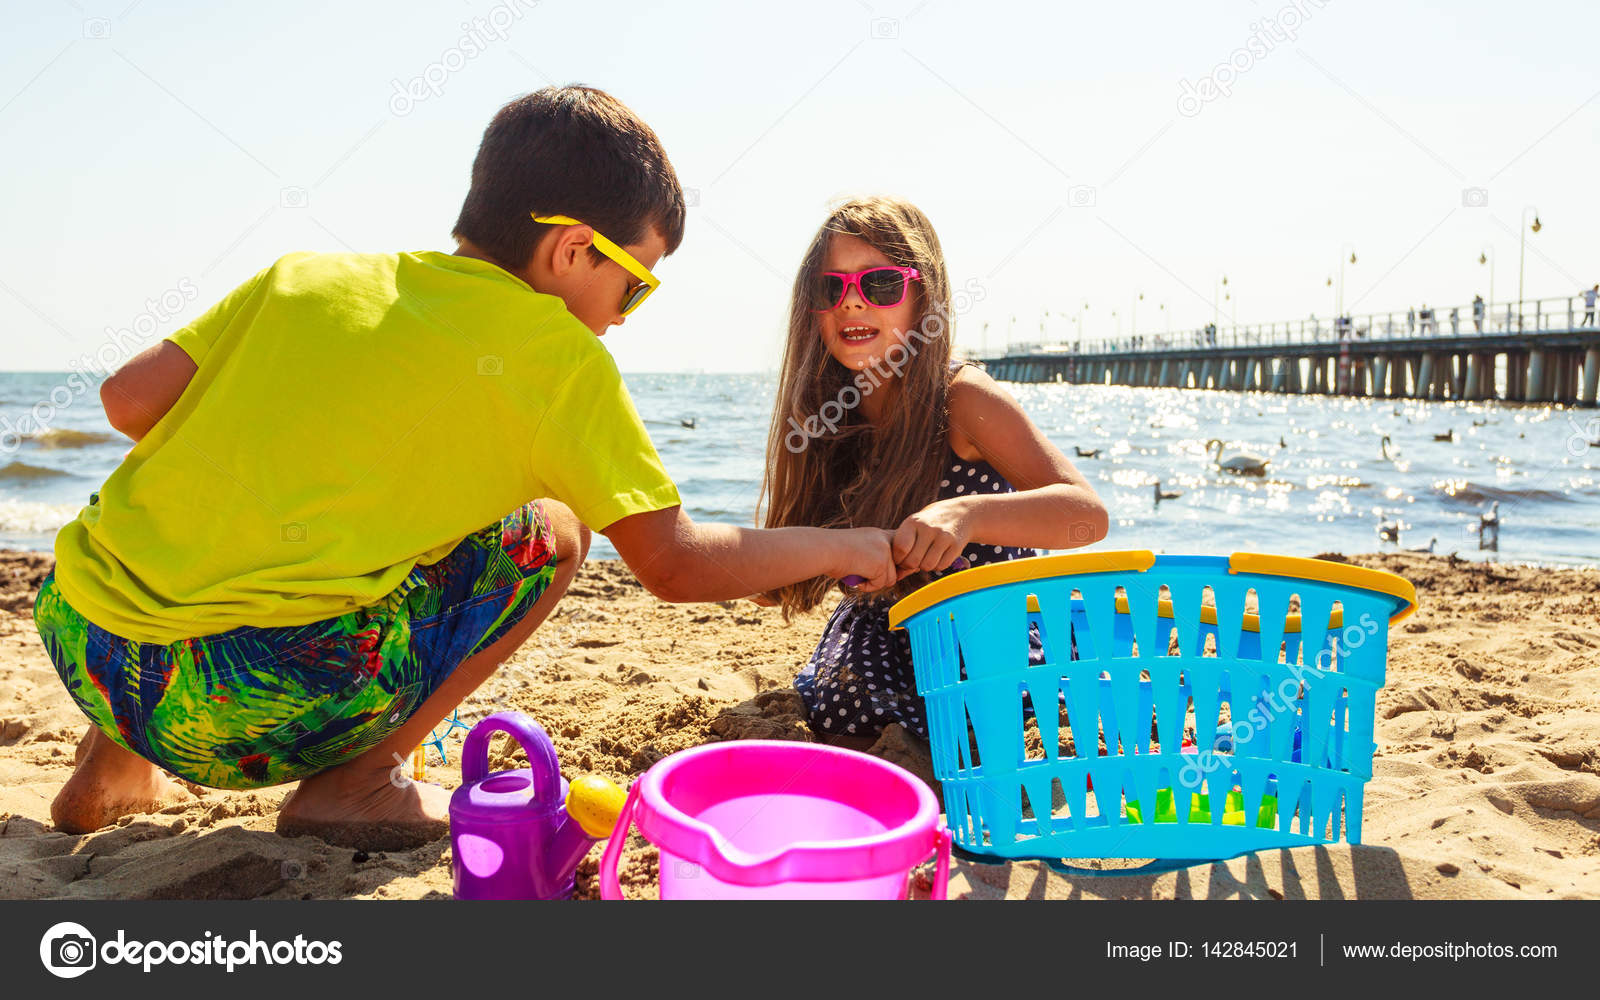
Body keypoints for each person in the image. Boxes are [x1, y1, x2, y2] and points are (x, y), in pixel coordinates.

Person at [33, 87, 900, 844]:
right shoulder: (557, 359)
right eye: (634, 284)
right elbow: (672, 563)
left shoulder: (304, 277)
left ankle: (108, 764)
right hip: (234, 717)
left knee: (215, 542)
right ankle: (357, 785)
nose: (627, 317)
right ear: (572, 250)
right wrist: (839, 544)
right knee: (553, 533)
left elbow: (127, 404)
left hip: (84, 641)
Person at [758, 197, 1108, 743]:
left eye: (878, 286)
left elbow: (1086, 516)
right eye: (831, 289)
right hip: (888, 632)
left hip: (990, 628)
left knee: (967, 717)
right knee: (848, 704)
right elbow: (779, 586)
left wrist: (967, 515)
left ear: (923, 296)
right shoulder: (831, 417)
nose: (852, 304)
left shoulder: (962, 398)